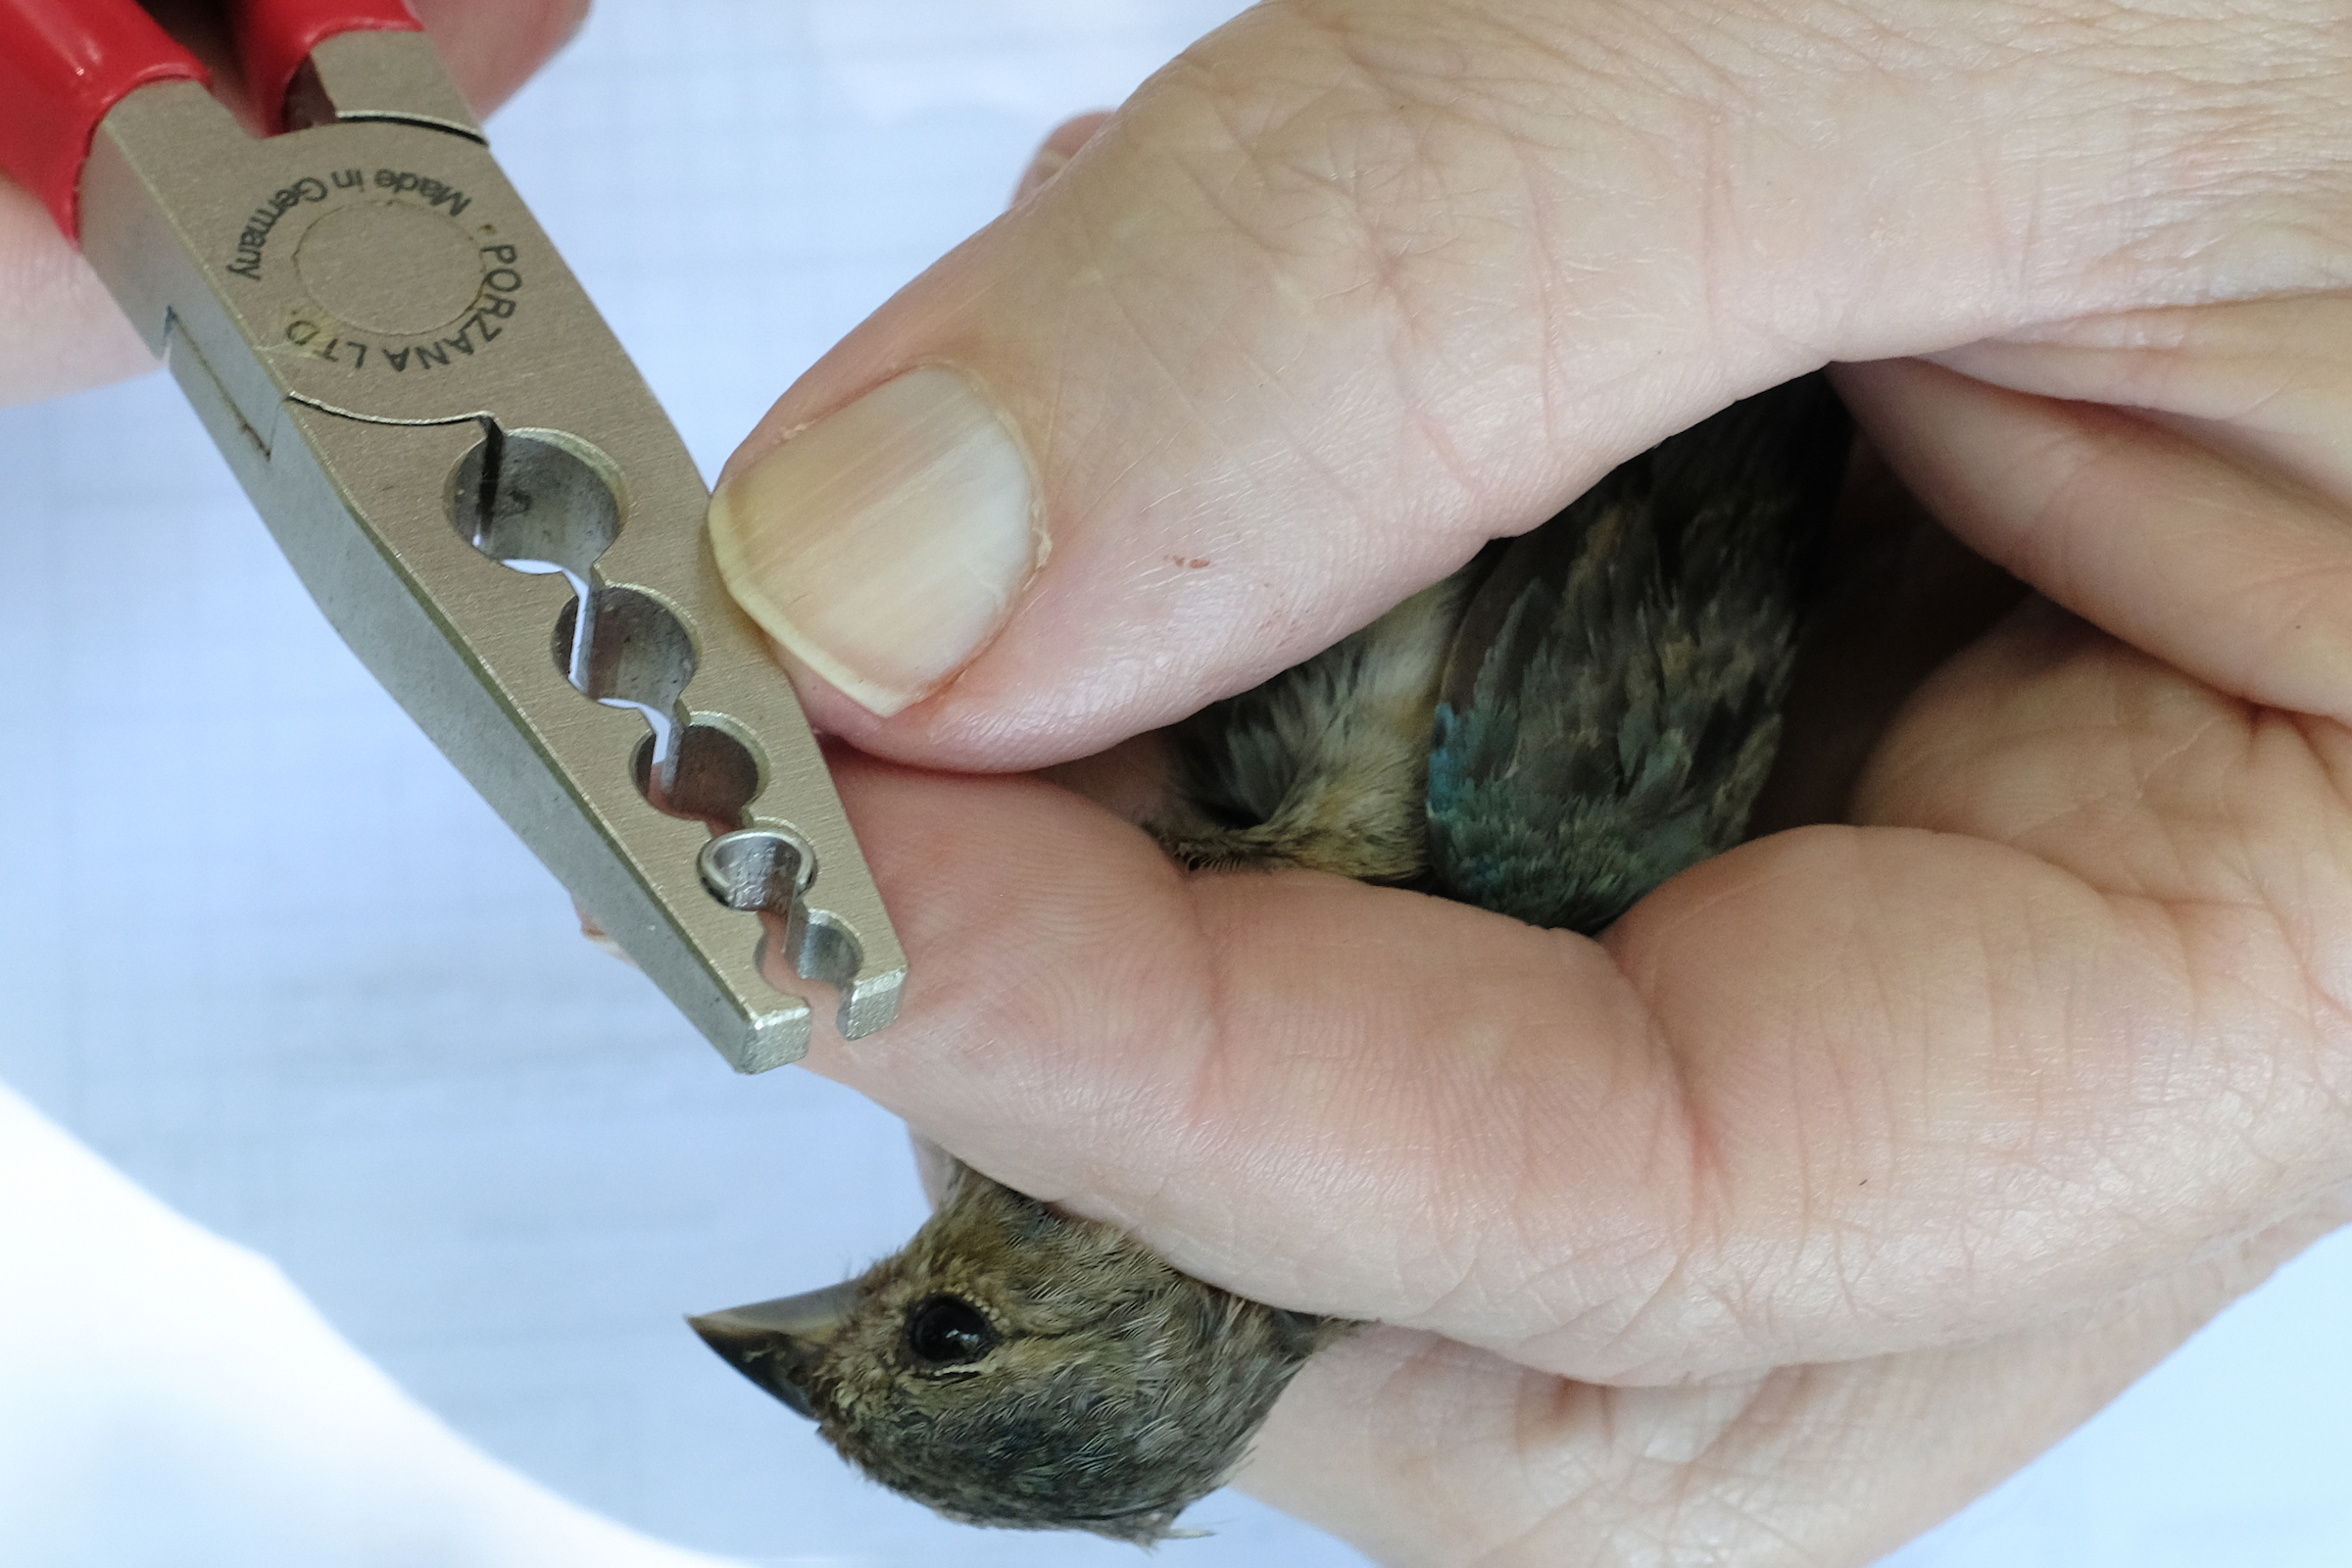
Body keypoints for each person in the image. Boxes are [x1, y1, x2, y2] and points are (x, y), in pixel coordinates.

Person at [8, 1, 2348, 1559]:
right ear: (1123, 1316)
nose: (889, 1266)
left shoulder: (1242, 840)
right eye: (934, 1320)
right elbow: (1704, 366)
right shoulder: (1529, 848)